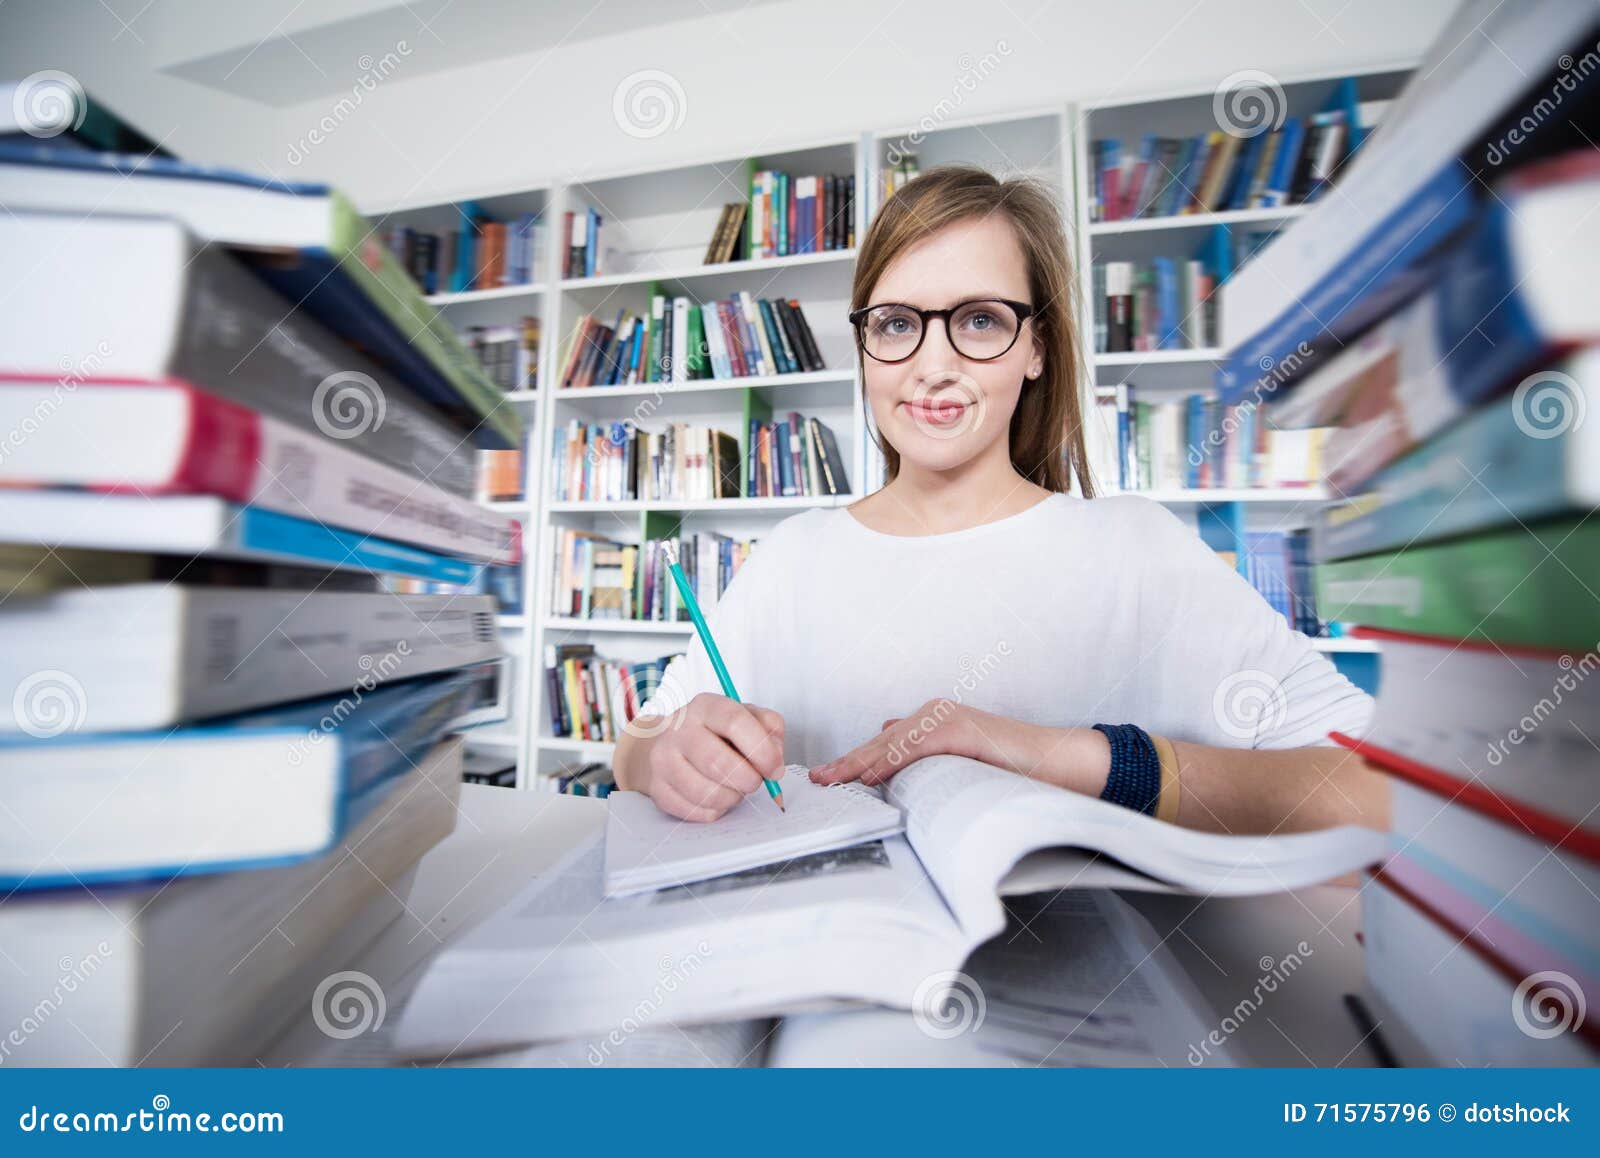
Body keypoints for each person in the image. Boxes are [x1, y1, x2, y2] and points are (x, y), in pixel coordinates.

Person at [612, 163, 1385, 834]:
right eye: (897, 323)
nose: (933, 364)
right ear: (866, 347)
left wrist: (1057, 752)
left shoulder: (1138, 550)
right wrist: (663, 756)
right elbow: (638, 743)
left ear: (1036, 348)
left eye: (980, 320)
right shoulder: (791, 556)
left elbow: (1382, 791)